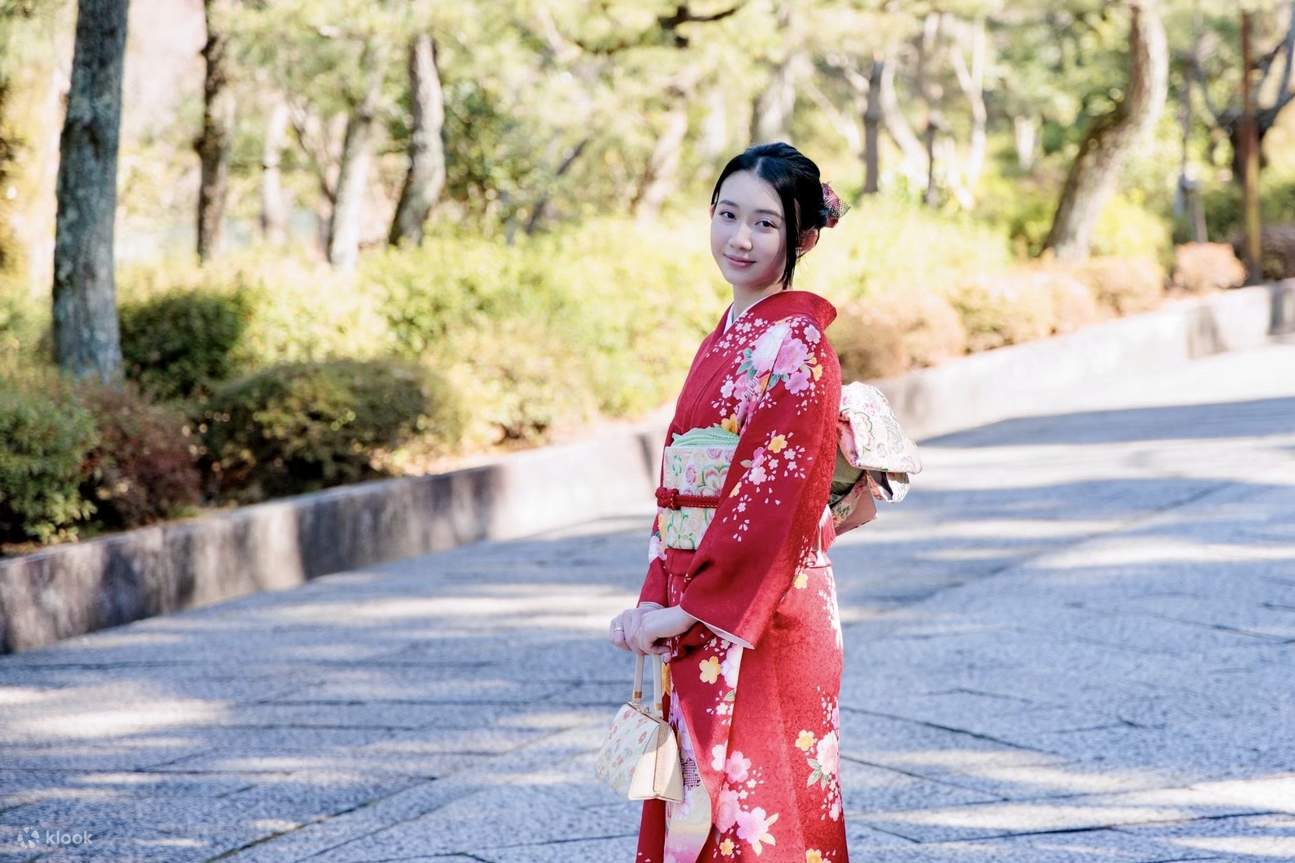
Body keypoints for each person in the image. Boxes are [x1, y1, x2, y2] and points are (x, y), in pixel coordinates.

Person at [609, 142, 851, 862]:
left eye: (765, 224)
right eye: (726, 214)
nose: (739, 238)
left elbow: (774, 498)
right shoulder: (725, 335)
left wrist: (690, 608)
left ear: (803, 238)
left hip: (765, 611)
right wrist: (656, 595)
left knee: (759, 816)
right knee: (696, 809)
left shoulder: (799, 345)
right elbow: (675, 487)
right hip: (699, 595)